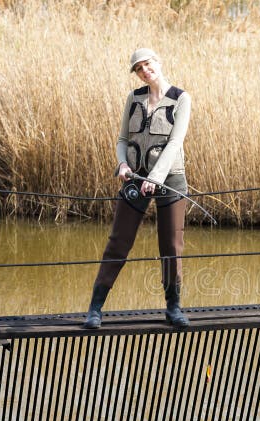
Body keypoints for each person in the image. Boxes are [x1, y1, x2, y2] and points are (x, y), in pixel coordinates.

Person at [83, 48, 192, 329]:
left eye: (148, 64)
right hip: (134, 178)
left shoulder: (181, 99)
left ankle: (173, 307)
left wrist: (154, 178)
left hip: (170, 180)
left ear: (159, 62)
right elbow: (122, 139)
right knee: (118, 242)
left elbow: (174, 144)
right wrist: (121, 164)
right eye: (139, 68)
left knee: (171, 246)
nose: (145, 70)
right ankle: (95, 309)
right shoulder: (134, 99)